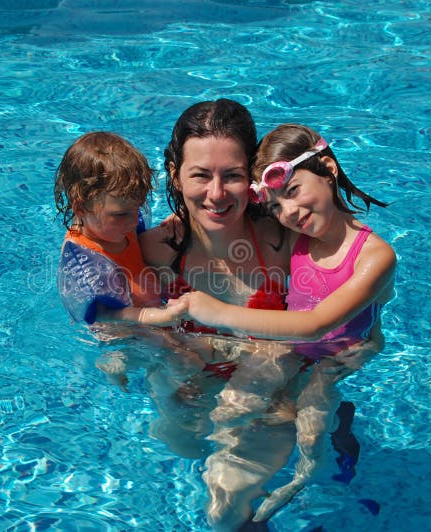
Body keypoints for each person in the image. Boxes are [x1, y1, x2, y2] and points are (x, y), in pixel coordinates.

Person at [173, 123, 397, 522]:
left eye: (292, 191)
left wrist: (215, 311)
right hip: (285, 348)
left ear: (328, 169)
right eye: (275, 207)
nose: (288, 213)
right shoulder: (297, 237)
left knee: (311, 437)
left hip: (331, 361)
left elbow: (316, 323)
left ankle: (297, 487)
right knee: (227, 412)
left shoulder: (374, 257)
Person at [139, 99, 301, 530]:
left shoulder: (282, 241)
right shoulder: (156, 251)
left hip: (271, 403)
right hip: (186, 394)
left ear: (253, 175)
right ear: (174, 174)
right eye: (200, 175)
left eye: (232, 175)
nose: (216, 194)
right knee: (181, 451)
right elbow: (119, 322)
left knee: (224, 508)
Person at [54, 131, 187, 327]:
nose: (134, 221)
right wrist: (149, 316)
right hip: (126, 331)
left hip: (153, 300)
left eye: (138, 208)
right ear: (81, 208)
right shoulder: (83, 262)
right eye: (121, 214)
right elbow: (102, 315)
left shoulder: (119, 216)